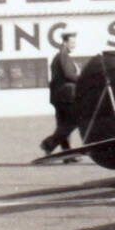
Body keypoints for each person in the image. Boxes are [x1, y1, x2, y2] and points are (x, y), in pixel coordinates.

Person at [39, 32, 81, 160]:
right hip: (65, 97)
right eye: (72, 42)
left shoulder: (62, 56)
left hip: (60, 97)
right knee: (72, 122)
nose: (74, 45)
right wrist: (82, 78)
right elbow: (69, 75)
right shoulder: (63, 56)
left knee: (63, 125)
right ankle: (48, 145)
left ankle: (67, 154)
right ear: (65, 42)